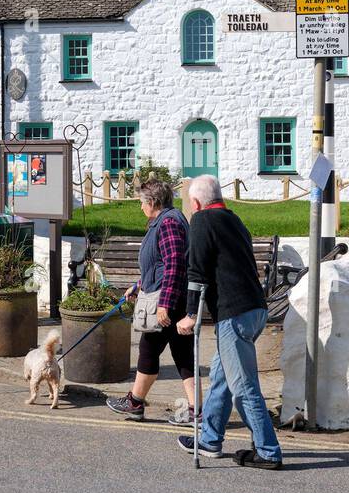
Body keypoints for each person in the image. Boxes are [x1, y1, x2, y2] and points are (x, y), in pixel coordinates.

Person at [175, 174, 282, 470]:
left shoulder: (200, 221)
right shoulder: (233, 219)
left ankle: (268, 451)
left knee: (244, 387)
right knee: (222, 379)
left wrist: (190, 315)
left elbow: (196, 273)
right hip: (255, 310)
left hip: (233, 314)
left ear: (195, 202)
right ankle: (209, 439)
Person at [106, 179, 197, 424]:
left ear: (152, 201)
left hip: (167, 299)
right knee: (182, 354)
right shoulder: (165, 221)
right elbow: (157, 263)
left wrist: (164, 305)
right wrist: (138, 285)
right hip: (169, 296)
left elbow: (174, 265)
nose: (141, 207)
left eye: (141, 202)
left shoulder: (167, 223)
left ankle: (135, 403)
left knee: (148, 349)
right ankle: (196, 409)